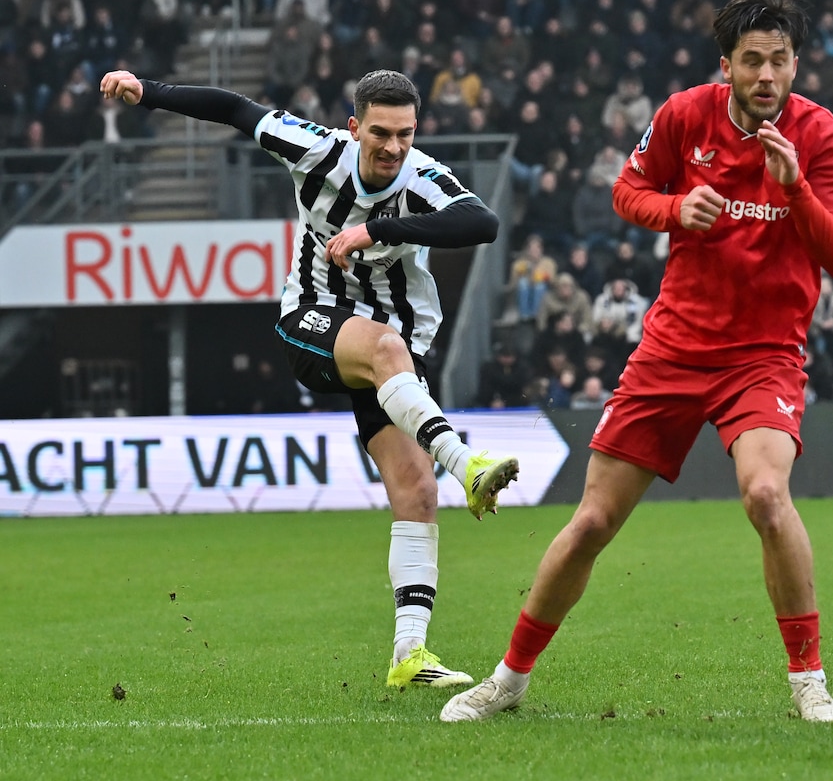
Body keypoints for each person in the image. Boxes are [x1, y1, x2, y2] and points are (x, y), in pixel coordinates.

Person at [441, 0, 833, 724]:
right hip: (672, 348)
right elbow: (627, 190)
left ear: (796, 64)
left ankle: (809, 682)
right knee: (594, 522)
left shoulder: (822, 136)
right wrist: (675, 209)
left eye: (781, 60)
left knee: (766, 496)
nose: (768, 75)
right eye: (753, 61)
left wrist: (796, 191)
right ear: (725, 65)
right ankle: (508, 679)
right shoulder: (682, 116)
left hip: (763, 356)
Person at [98, 67, 521, 691]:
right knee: (383, 344)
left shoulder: (424, 178)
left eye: (405, 134)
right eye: (379, 133)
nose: (392, 148)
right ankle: (465, 462)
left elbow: (481, 224)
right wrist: (148, 91)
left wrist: (379, 229)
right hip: (316, 322)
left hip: (399, 354)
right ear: (354, 128)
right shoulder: (318, 150)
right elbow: (235, 108)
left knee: (416, 494)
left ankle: (410, 655)